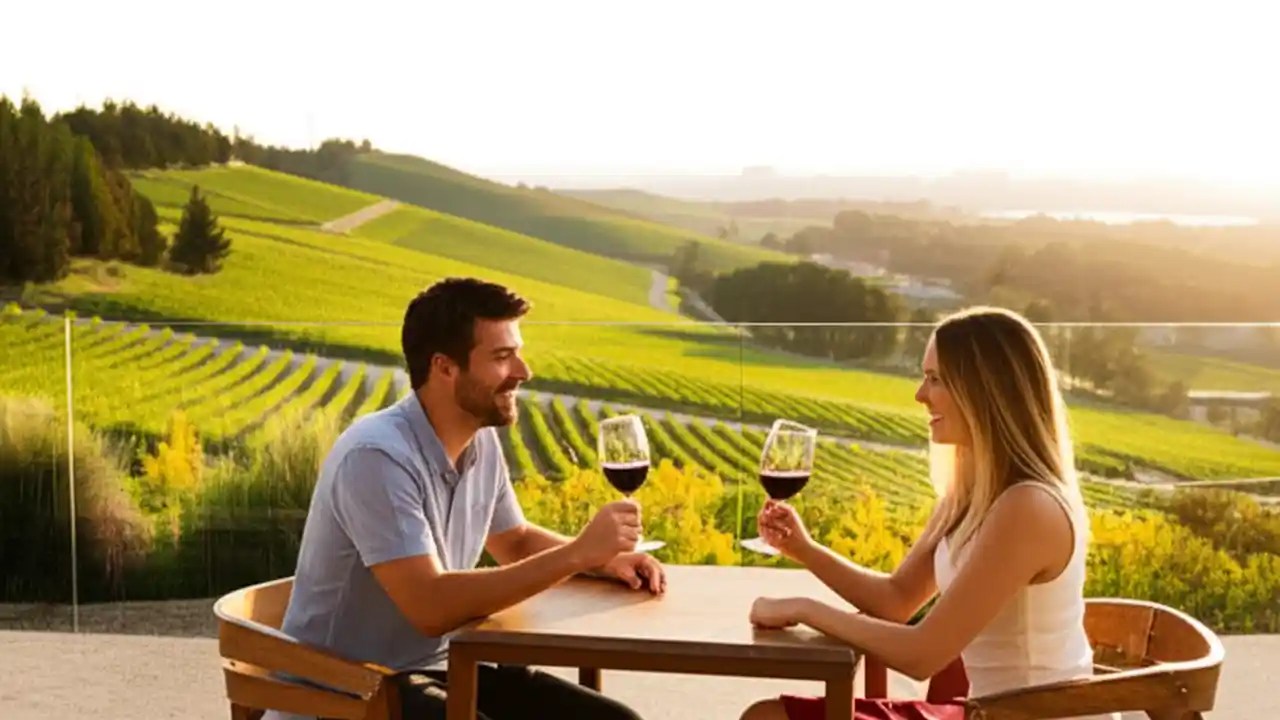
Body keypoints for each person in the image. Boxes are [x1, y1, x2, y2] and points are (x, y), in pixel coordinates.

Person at [268, 277, 665, 720]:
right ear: (444, 367)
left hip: (438, 669)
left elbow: (513, 541)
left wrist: (603, 562)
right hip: (348, 692)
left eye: (516, 352)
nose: (522, 371)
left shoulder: (480, 443)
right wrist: (575, 554)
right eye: (501, 356)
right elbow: (431, 607)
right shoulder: (376, 458)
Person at [740, 306, 1117, 720]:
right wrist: (805, 550)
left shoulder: (1029, 506)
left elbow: (923, 655)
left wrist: (803, 608)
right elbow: (897, 599)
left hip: (1031, 717)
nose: (921, 395)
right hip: (985, 712)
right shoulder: (970, 494)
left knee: (768, 718)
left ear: (984, 391)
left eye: (935, 379)